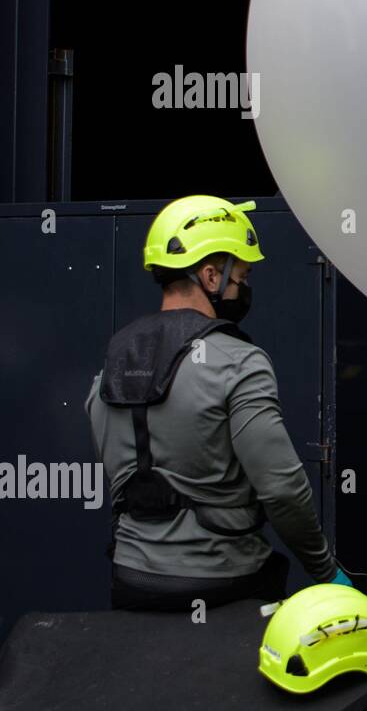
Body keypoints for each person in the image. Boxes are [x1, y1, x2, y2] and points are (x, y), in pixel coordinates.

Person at [85, 195, 346, 611]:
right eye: (240, 276)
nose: (245, 288)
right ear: (210, 276)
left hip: (131, 581)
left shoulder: (114, 363)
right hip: (227, 584)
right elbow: (282, 490)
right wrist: (325, 571)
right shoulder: (239, 361)